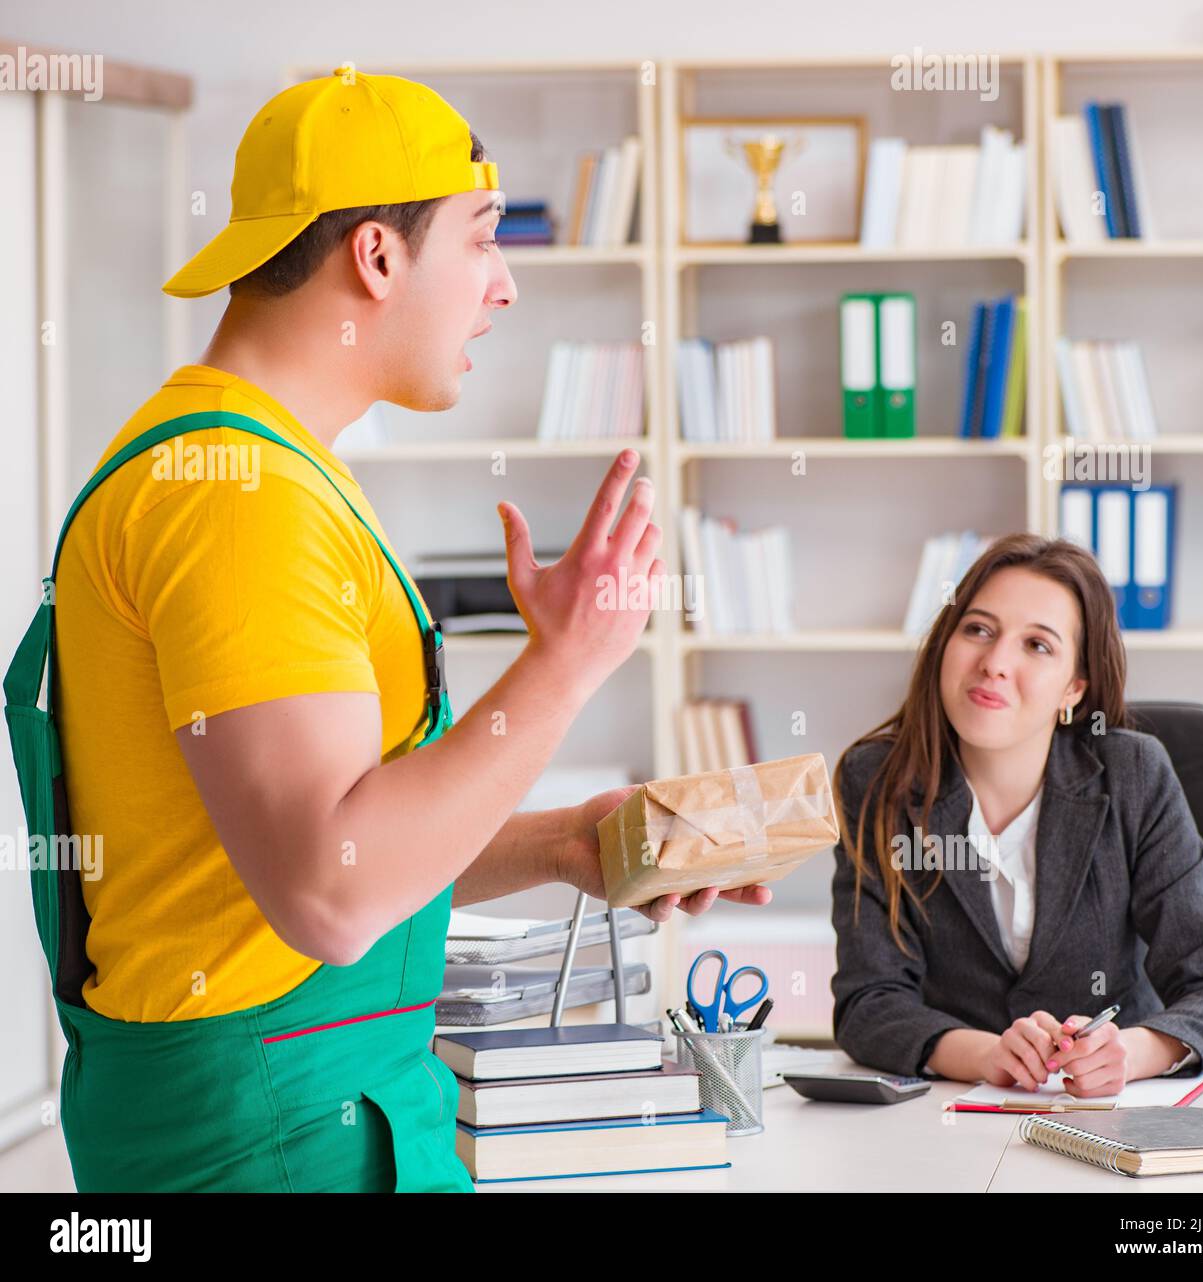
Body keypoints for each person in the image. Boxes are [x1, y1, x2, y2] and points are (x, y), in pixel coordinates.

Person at [36, 67, 770, 1192]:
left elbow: (327, 849)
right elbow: (328, 894)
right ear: (376, 257)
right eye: (481, 239)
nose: (505, 286)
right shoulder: (240, 495)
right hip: (271, 1137)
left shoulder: (249, 462)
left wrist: (562, 844)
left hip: (306, 1105)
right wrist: (565, 665)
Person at [829, 533, 1203, 1097]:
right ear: (944, 645)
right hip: (946, 1127)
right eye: (978, 629)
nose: (995, 664)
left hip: (1111, 1123)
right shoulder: (878, 780)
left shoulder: (1133, 774)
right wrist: (985, 1054)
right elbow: (868, 1003)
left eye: (1037, 646)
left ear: (1074, 688)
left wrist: (1130, 1052)